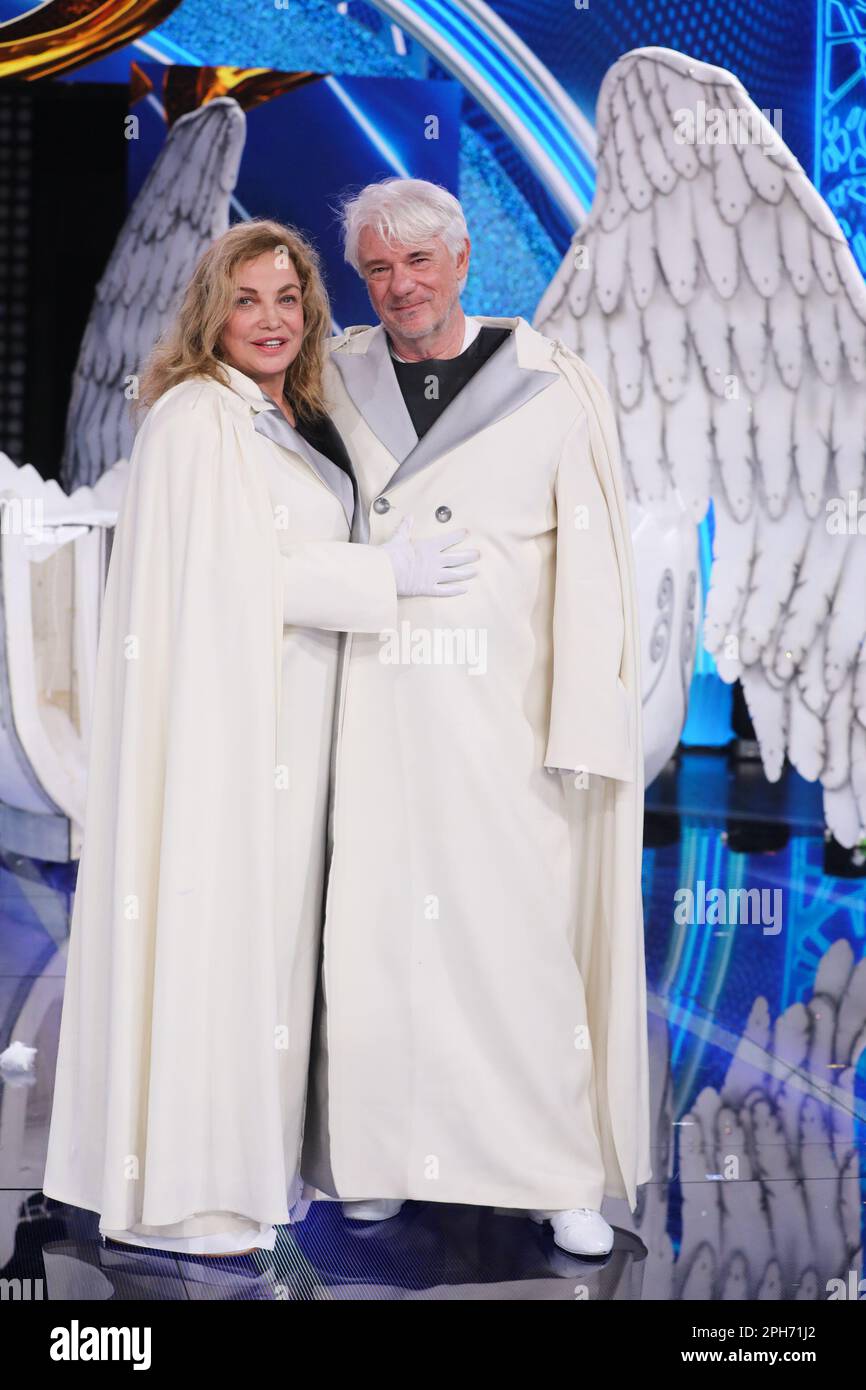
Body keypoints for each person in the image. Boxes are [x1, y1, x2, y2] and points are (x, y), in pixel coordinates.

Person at [42, 218, 478, 1257]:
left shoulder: (283, 416)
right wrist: (389, 578)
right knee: (214, 945)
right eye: (248, 299)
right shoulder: (197, 415)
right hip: (222, 741)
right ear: (212, 311)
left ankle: (241, 1166)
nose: (271, 319)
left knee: (263, 959)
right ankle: (190, 1194)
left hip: (284, 728)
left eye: (288, 299)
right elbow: (232, 574)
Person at [300, 179, 651, 1257]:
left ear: (460, 263)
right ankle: (374, 1159)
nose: (398, 285)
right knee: (370, 945)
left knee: (518, 949)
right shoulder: (332, 378)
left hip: (506, 725)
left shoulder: (552, 385)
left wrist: (588, 724)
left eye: (418, 262)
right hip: (372, 709)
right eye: (376, 268)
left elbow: (597, 564)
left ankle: (552, 1171)